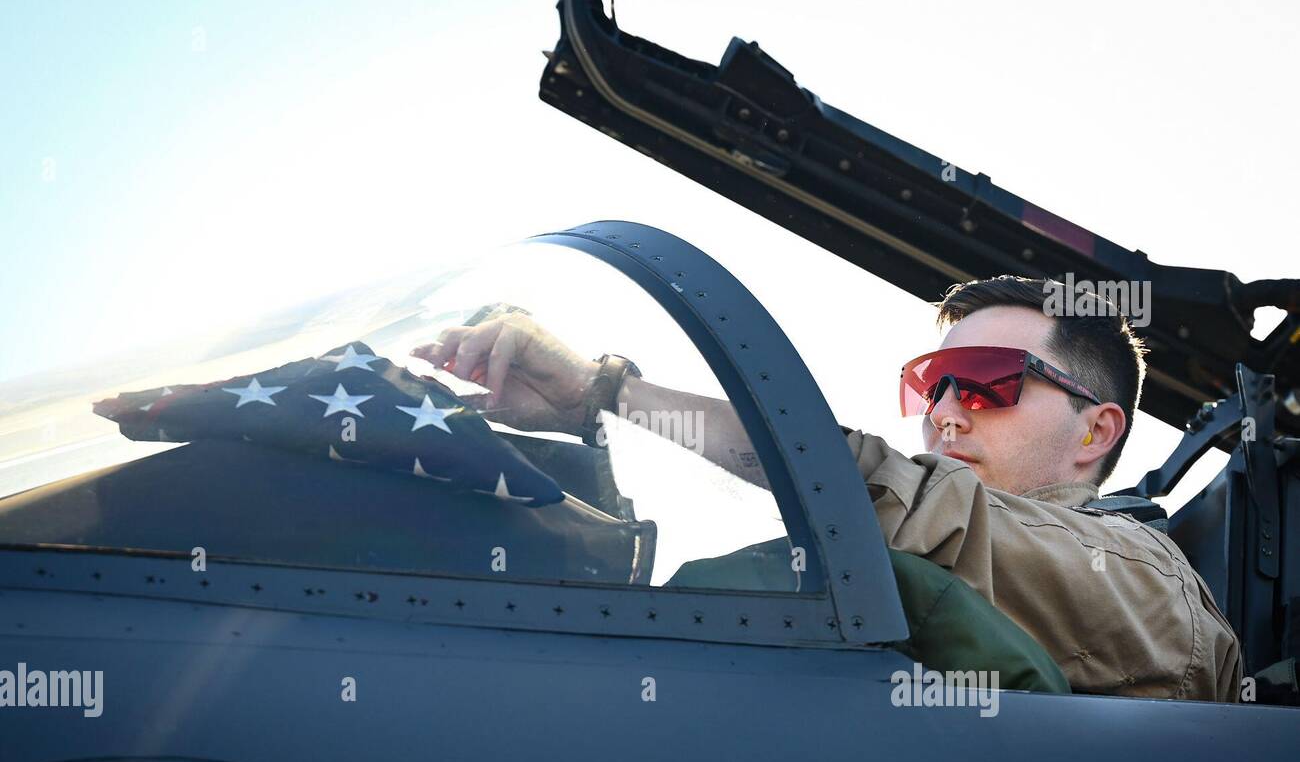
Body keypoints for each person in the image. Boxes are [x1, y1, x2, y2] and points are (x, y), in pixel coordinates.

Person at [412, 276, 1242, 702]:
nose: (945, 416)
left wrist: (605, 390)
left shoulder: (1148, 583)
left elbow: (893, 498)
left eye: (987, 381)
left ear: (1096, 433)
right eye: (931, 385)